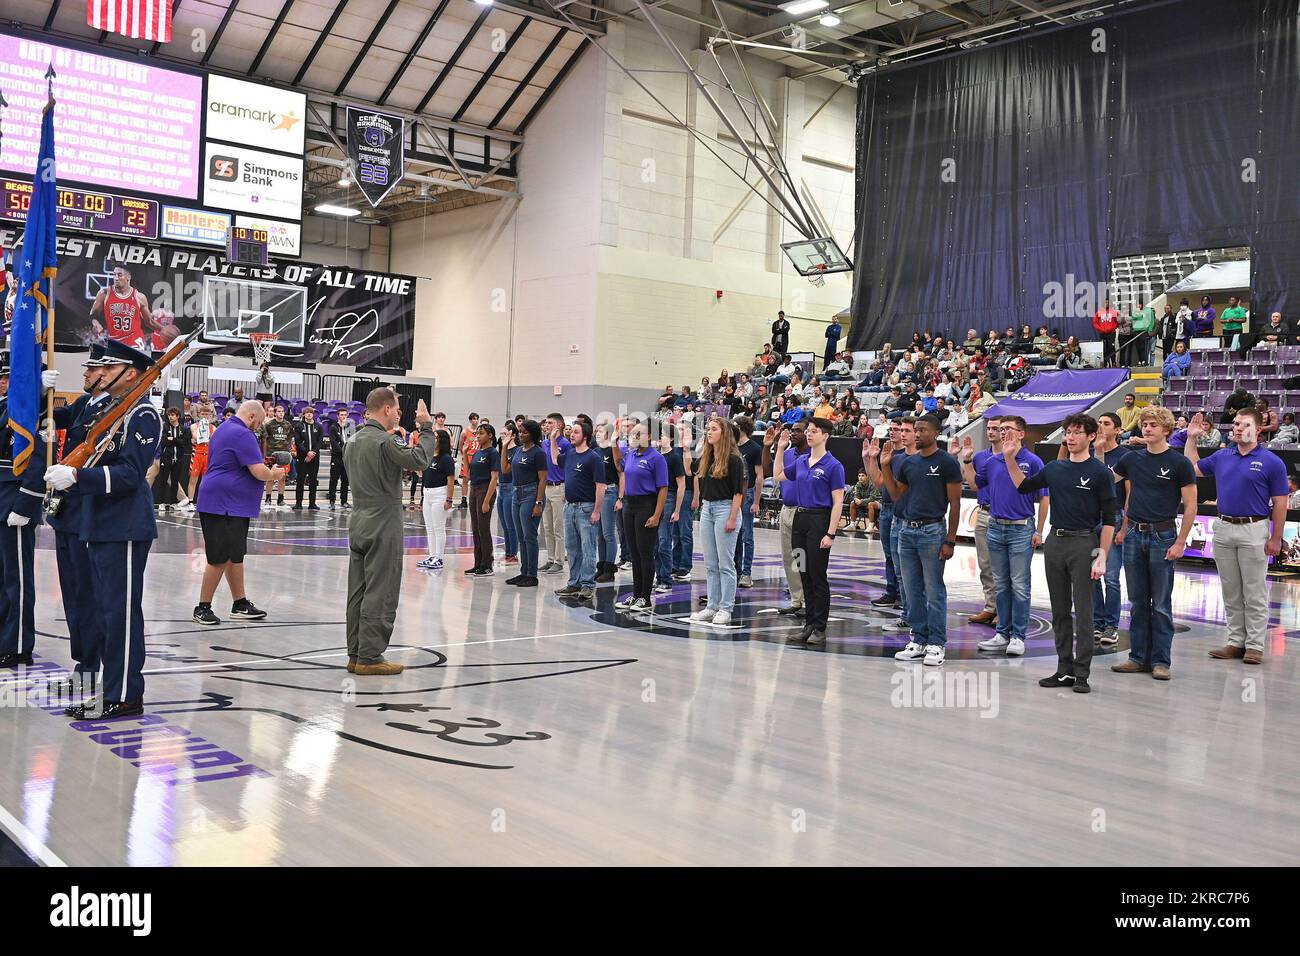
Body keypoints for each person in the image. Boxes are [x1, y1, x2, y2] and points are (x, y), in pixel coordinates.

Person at [44, 340, 162, 718]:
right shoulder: (112, 410)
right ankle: (110, 686)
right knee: (103, 609)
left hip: (123, 524)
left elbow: (129, 474)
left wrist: (77, 477)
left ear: (130, 372)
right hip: (100, 523)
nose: (100, 373)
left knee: (120, 613)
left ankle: (125, 694)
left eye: (108, 367)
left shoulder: (143, 414)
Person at [1002, 414, 1115, 694]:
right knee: (1060, 610)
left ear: (1090, 436)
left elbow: (1110, 518)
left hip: (1084, 542)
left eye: (1077, 432)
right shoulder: (1055, 468)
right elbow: (1023, 486)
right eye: (1068, 432)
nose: (1071, 437)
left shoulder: (1100, 473)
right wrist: (1009, 458)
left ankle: (1082, 673)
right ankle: (1064, 668)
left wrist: (1102, 556)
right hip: (1056, 541)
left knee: (1085, 611)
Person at [1185, 408, 1288, 666]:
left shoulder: (1272, 462)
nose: (1237, 428)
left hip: (1254, 527)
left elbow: (1280, 502)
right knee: (1230, 589)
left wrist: (1276, 537)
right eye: (1236, 424)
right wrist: (1191, 438)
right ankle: (1235, 642)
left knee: (1253, 591)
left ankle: (1254, 646)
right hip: (1223, 527)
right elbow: (1192, 468)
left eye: (1243, 424)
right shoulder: (1223, 455)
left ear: (1258, 429)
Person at [344, 389, 434, 675]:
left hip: (358, 518)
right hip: (383, 520)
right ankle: (370, 657)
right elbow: (419, 460)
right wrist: (427, 428)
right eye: (396, 410)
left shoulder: (352, 440)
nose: (398, 414)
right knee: (381, 589)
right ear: (385, 410)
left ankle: (356, 654)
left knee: (357, 590)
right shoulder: (386, 440)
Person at [1110, 406, 1198, 681]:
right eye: (1144, 424)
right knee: (1136, 600)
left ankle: (1161, 661)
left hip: (1163, 535)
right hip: (1135, 532)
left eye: (1153, 425)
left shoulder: (1179, 463)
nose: (1146, 429)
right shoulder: (1131, 459)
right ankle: (1137, 657)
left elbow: (1191, 505)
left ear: (1166, 430)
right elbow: (1105, 480)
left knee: (1160, 603)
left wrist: (1181, 541)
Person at [44, 347, 110, 695]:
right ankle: (81, 663)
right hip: (68, 514)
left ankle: (90, 667)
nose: (85, 375)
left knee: (87, 594)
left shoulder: (113, 408)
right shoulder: (86, 405)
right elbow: (59, 417)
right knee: (72, 594)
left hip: (89, 512)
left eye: (92, 370)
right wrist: (40, 392)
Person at [872, 414, 962, 666]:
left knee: (934, 590)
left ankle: (936, 643)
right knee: (911, 591)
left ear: (935, 434)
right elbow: (896, 494)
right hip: (906, 532)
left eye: (923, 429)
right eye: (917, 429)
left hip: (932, 531)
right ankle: (918, 639)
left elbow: (955, 504)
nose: (918, 433)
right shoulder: (908, 463)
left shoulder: (946, 463)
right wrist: (886, 466)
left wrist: (950, 540)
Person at [192, 400, 284, 625]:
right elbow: (259, 471)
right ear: (252, 416)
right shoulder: (243, 434)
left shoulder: (224, 428)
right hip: (224, 504)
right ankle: (202, 607)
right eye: (259, 422)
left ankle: (240, 603)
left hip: (228, 503)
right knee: (219, 556)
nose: (258, 427)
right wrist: (275, 474)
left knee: (235, 556)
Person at [963, 417, 1047, 657]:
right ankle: (1002, 632)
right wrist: (968, 460)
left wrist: (1039, 530)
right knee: (1000, 583)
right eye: (1001, 429)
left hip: (1021, 528)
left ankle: (1018, 636)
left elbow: (1044, 497)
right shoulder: (992, 461)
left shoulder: (1033, 461)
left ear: (1021, 434)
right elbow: (977, 486)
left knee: (1019, 585)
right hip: (995, 526)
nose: (1003, 432)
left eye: (1009, 429)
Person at [0, 356, 53, 671]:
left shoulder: (32, 412)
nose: (5, 383)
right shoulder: (12, 407)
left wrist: (27, 502)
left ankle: (18, 644)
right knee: (2, 579)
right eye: (4, 378)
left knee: (17, 579)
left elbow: (38, 457)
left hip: (15, 502)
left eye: (11, 378)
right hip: (1, 501)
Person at [775, 418, 845, 646]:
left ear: (825, 436)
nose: (809, 434)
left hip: (819, 520)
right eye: (808, 431)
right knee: (803, 572)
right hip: (800, 520)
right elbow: (778, 476)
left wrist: (830, 533)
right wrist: (779, 449)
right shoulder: (802, 461)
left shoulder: (833, 465)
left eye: (814, 431)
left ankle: (820, 627)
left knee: (817, 576)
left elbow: (838, 502)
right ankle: (808, 625)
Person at [690, 417, 745, 625]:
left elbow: (738, 493)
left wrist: (732, 517)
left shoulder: (734, 459)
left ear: (724, 433)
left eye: (713, 429)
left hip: (725, 509)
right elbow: (693, 475)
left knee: (725, 564)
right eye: (707, 429)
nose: (708, 432)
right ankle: (711, 605)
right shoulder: (707, 457)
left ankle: (725, 608)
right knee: (711, 564)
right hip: (708, 508)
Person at [613, 423, 668, 613]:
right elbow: (619, 465)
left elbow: (663, 489)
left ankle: (645, 597)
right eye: (633, 433)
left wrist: (656, 515)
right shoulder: (631, 455)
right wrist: (614, 442)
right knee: (634, 552)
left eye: (639, 433)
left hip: (647, 505)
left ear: (650, 436)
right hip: (630, 505)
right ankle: (636, 595)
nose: (634, 436)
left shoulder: (656, 458)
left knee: (645, 552)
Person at [554, 419, 606, 603]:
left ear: (585, 436)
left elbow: (601, 486)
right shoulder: (569, 454)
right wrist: (553, 440)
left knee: (588, 548)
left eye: (576, 432)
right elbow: (555, 459)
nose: (572, 434)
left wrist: (597, 511)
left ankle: (587, 585)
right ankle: (574, 582)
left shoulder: (593, 458)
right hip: (570, 507)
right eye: (571, 432)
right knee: (572, 547)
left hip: (586, 507)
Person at [1090, 413, 1130, 646]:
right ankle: (1096, 621)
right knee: (1091, 575)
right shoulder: (1090, 452)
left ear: (1118, 430)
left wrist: (1124, 526)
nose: (1101, 427)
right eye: (1099, 423)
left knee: (1112, 577)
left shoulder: (1125, 456)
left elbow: (1129, 493)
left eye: (1106, 423)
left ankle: (1111, 625)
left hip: (1113, 518)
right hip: (1089, 518)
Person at [503, 419, 548, 588]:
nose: (521, 435)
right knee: (521, 536)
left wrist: (538, 502)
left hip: (531, 493)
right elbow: (505, 469)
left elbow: (543, 478)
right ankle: (524, 572)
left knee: (529, 535)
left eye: (524, 432)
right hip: (516, 493)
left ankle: (532, 575)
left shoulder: (538, 452)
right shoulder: (519, 451)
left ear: (533, 434)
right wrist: (505, 447)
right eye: (520, 432)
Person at [654, 425, 687, 594]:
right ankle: (659, 576)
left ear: (672, 439)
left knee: (664, 541)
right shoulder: (656, 456)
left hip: (669, 498)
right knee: (656, 543)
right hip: (655, 498)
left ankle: (666, 579)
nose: (660, 438)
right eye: (659, 435)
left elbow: (681, 485)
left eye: (664, 435)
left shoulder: (674, 457)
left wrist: (677, 509)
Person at [89, 264, 153, 352]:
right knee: (115, 365)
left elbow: (149, 321)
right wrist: (96, 323)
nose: (115, 278)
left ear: (128, 277)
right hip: (114, 341)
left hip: (134, 340)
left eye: (119, 275)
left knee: (131, 364)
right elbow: (93, 314)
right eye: (114, 274)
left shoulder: (139, 296)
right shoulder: (104, 293)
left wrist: (162, 329)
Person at [464, 423, 500, 576]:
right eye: (477, 434)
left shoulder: (493, 453)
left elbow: (494, 478)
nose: (478, 436)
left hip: (485, 489)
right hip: (474, 489)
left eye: (481, 434)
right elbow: (468, 472)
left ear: (490, 435)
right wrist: (465, 454)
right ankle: (477, 562)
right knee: (475, 528)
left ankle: (487, 564)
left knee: (483, 528)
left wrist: (486, 500)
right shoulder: (478, 452)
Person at [417, 428, 455, 571]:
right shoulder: (429, 456)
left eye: (436, 437)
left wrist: (449, 499)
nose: (433, 439)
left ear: (442, 440)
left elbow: (450, 480)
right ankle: (432, 555)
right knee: (430, 528)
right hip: (427, 495)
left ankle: (439, 557)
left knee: (439, 528)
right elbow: (423, 475)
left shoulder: (446, 459)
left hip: (440, 494)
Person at [732, 416, 762, 589]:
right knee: (734, 534)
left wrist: (756, 501)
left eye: (736, 425)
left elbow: (759, 476)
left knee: (747, 535)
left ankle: (747, 573)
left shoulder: (754, 448)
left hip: (748, 492)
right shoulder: (732, 447)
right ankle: (735, 570)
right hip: (734, 492)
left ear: (743, 428)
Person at [540, 413, 572, 573]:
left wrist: (567, 487)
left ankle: (559, 561)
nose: (547, 425)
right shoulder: (545, 443)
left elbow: (568, 465)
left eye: (550, 423)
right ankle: (550, 558)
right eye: (546, 423)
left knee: (558, 527)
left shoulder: (565, 443)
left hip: (559, 486)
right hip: (546, 487)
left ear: (559, 425)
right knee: (547, 527)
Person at [593, 422, 622, 584]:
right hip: (598, 493)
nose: (597, 433)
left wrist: (621, 497)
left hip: (610, 491)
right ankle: (601, 566)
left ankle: (610, 569)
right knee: (599, 535)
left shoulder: (613, 450)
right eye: (596, 431)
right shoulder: (595, 451)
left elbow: (621, 473)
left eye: (601, 431)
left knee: (608, 533)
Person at [155, 406, 191, 512]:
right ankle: (161, 502)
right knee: (163, 480)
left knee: (175, 481)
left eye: (172, 415)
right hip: (166, 458)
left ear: (178, 416)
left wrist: (173, 439)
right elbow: (164, 441)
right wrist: (176, 440)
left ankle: (173, 502)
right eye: (169, 415)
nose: (170, 417)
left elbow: (185, 442)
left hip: (178, 458)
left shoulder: (183, 429)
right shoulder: (165, 427)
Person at [496, 421, 520, 569]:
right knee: (504, 524)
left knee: (511, 525)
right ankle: (508, 553)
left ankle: (513, 554)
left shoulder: (517, 451)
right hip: (502, 488)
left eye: (506, 433)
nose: (503, 436)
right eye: (502, 434)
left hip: (511, 487)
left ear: (513, 435)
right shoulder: (502, 450)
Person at [261, 404, 294, 507]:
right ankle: (268, 498)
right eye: (279, 411)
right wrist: (265, 454)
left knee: (282, 477)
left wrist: (289, 451)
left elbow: (289, 439)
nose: (281, 413)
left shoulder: (288, 425)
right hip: (272, 454)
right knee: (270, 477)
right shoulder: (269, 425)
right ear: (274, 413)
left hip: (283, 455)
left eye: (282, 411)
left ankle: (280, 499)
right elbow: (265, 440)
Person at [293, 405, 324, 510]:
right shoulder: (299, 426)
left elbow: (320, 442)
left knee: (313, 480)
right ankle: (298, 503)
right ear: (304, 414)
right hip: (302, 458)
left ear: (313, 414)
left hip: (314, 458)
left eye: (311, 412)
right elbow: (297, 442)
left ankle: (312, 503)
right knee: (300, 480)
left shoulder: (318, 426)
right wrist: (307, 453)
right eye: (307, 412)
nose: (309, 414)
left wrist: (313, 453)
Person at [187, 403, 215, 508]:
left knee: (206, 480)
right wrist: (204, 430)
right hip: (197, 453)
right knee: (193, 479)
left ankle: (203, 500)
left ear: (211, 415)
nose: (205, 416)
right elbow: (197, 437)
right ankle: (190, 501)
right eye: (203, 414)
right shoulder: (194, 426)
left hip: (207, 454)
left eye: (207, 414)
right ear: (199, 415)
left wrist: (207, 433)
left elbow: (212, 440)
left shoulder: (214, 427)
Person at [328, 409, 355, 508]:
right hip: (337, 457)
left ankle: (344, 501)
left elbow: (353, 441)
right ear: (337, 416)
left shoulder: (350, 427)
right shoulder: (333, 427)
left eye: (345, 415)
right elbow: (333, 442)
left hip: (347, 458)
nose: (343, 416)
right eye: (341, 415)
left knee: (345, 480)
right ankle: (332, 501)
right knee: (334, 479)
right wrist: (343, 451)